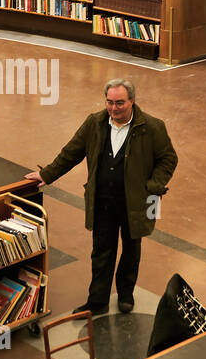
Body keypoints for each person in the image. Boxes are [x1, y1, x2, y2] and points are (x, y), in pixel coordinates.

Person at [24, 77, 177, 315]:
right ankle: (97, 301)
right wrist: (47, 174)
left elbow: (168, 159)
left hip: (137, 203)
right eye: (109, 102)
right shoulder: (94, 123)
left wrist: (153, 186)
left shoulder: (152, 127)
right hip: (102, 201)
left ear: (132, 101)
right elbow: (72, 151)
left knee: (131, 251)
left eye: (120, 103)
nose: (114, 108)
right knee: (101, 252)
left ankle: (126, 295)